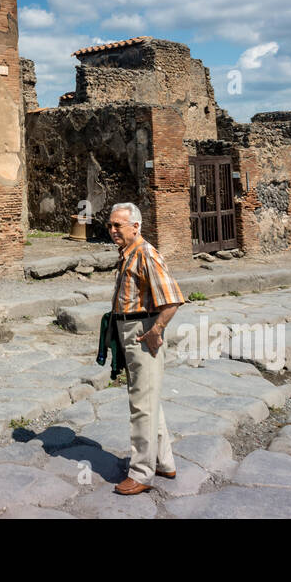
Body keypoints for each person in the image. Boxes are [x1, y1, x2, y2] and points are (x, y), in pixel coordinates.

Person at [106, 202, 186, 496]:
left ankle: (141, 472)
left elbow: (173, 299)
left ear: (135, 226)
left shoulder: (146, 254)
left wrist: (156, 331)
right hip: (130, 329)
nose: (113, 230)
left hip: (142, 333)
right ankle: (164, 462)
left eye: (119, 226)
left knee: (141, 406)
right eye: (111, 225)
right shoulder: (128, 253)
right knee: (148, 400)